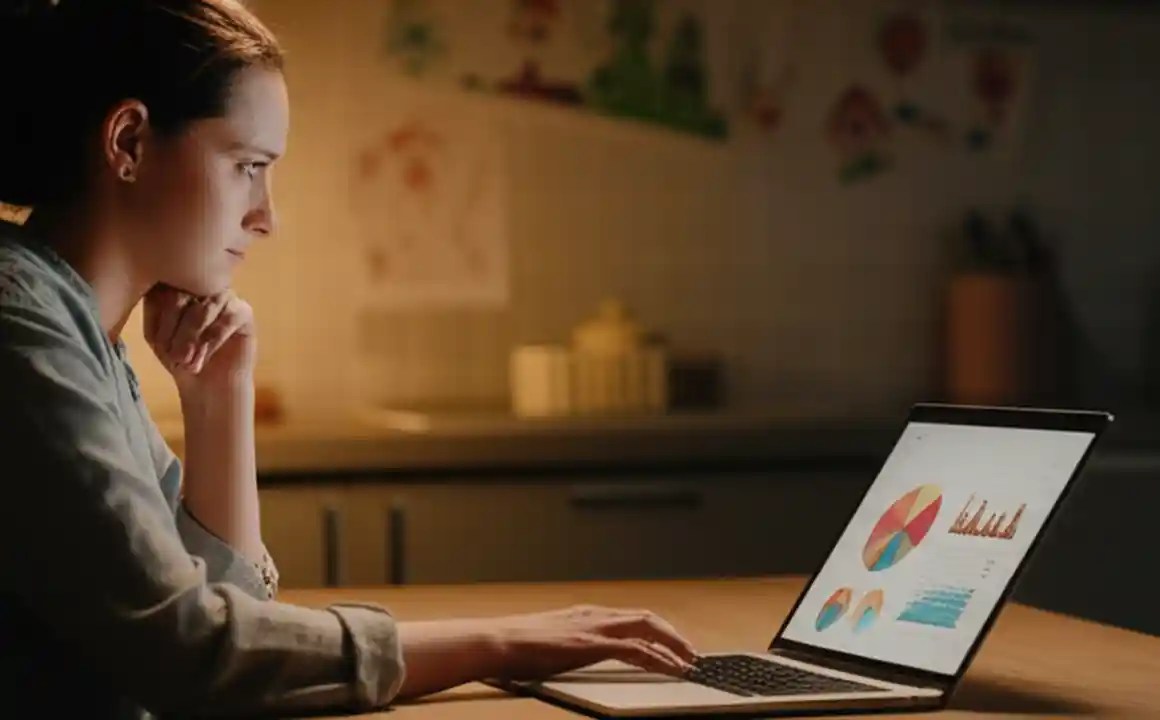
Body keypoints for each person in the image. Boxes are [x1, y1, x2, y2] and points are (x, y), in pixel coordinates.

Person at [0, 1, 698, 717]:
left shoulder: (79, 330)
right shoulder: (20, 323)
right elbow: (192, 651)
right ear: (129, 142)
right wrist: (501, 642)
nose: (266, 215)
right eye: (247, 166)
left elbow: (229, 632)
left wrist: (218, 399)